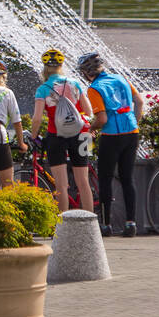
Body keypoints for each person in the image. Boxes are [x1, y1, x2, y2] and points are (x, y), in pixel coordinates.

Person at [78, 52, 144, 237]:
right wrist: (134, 123)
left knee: (105, 179)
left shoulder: (94, 88)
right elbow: (139, 102)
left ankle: (106, 225)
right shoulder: (121, 78)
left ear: (85, 73)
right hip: (131, 133)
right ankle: (131, 224)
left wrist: (91, 128)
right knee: (127, 178)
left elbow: (102, 118)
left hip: (111, 136)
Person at [30, 48, 95, 213]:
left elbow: (37, 118)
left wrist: (33, 135)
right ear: (61, 65)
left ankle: (63, 224)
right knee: (84, 182)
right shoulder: (75, 84)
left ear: (44, 67)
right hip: (83, 134)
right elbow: (88, 112)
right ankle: (89, 223)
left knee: (61, 185)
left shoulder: (43, 89)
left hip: (56, 135)